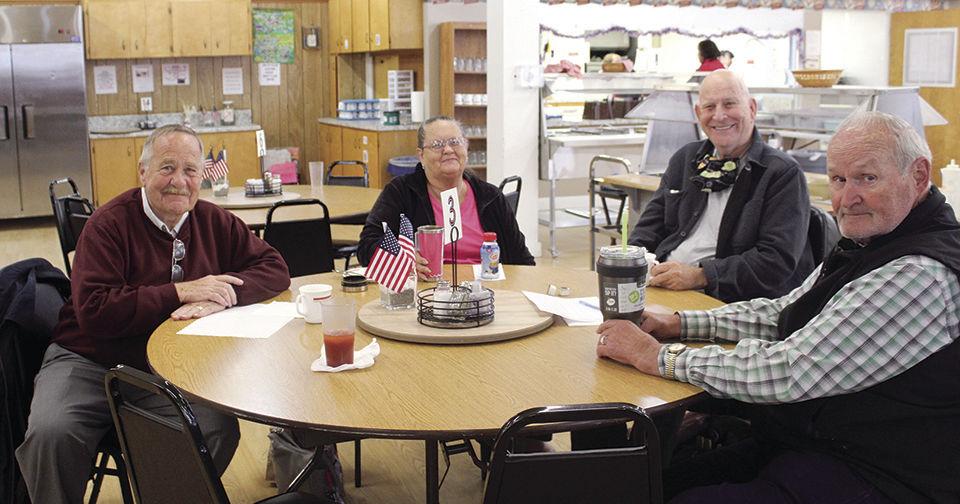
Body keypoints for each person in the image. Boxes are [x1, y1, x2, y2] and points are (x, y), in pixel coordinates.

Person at [597, 111, 960, 503]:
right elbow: (783, 313)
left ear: (919, 176)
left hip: (880, 474)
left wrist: (658, 357)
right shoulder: (875, 240)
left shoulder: (919, 273)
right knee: (648, 484)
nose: (846, 198)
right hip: (812, 444)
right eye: (838, 179)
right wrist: (679, 324)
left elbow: (791, 369)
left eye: (866, 179)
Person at [16, 125, 291, 504]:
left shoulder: (214, 221)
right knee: (52, 433)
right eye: (166, 168)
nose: (179, 181)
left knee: (216, 429)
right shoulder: (107, 226)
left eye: (190, 170)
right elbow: (96, 312)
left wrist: (221, 296)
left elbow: (274, 268)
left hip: (168, 367)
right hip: (88, 360)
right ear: (142, 173)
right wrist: (180, 291)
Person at [629, 70, 813, 302]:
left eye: (729, 104)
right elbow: (648, 230)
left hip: (729, 301)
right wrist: (629, 261)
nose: (719, 116)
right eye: (709, 107)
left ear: (752, 108)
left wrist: (701, 275)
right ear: (698, 113)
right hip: (666, 288)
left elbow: (776, 262)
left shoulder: (781, 173)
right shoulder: (685, 160)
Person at [358, 115, 535, 275]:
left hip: (486, 294)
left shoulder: (490, 197)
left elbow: (523, 260)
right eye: (437, 145)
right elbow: (367, 246)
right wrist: (401, 259)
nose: (448, 150)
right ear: (421, 155)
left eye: (455, 142)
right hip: (425, 293)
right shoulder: (401, 192)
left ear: (466, 147)